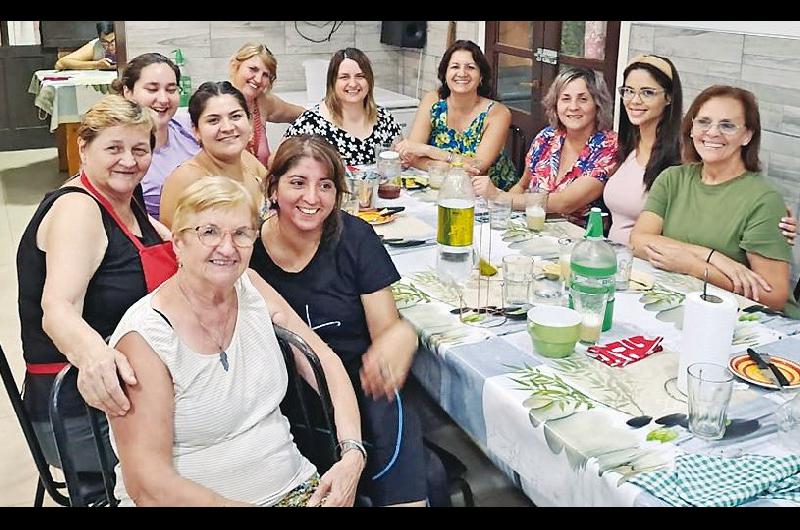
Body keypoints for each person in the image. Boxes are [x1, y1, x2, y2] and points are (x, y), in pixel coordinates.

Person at [107, 176, 364, 506]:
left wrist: (352, 453)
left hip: (293, 488)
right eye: (209, 232)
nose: (227, 248)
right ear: (178, 243)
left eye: (241, 233)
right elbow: (148, 485)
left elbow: (325, 361)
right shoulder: (147, 336)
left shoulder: (250, 286)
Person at [250, 135, 427, 507]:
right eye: (298, 183)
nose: (312, 197)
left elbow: (386, 331)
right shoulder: (248, 253)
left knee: (391, 405)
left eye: (325, 186)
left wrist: (400, 336)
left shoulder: (354, 237)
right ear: (273, 188)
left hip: (359, 382)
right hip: (287, 395)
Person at [16, 95, 177, 473]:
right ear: (83, 148)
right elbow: (57, 309)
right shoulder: (79, 210)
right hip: (80, 412)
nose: (129, 161)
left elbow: (173, 248)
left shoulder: (125, 197)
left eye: (140, 150)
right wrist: (94, 356)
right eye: (114, 148)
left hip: (134, 391)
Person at [630, 85, 799, 316]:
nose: (712, 132)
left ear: (747, 135)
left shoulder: (764, 200)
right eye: (703, 122)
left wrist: (696, 267)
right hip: (680, 303)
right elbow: (639, 240)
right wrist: (712, 256)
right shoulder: (672, 179)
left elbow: (773, 295)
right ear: (691, 128)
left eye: (727, 125)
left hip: (751, 321)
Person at [607, 55, 797, 247]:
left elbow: (723, 194)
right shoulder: (626, 144)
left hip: (655, 259)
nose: (635, 100)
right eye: (628, 91)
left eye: (647, 92)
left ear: (669, 97)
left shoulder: (688, 152)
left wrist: (770, 219)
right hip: (613, 255)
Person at [471, 66, 618, 227]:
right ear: (555, 104)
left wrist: (499, 197)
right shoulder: (547, 137)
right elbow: (522, 185)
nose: (573, 106)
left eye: (583, 99)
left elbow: (565, 203)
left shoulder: (608, 146)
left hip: (579, 237)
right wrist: (500, 215)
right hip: (532, 229)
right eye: (565, 99)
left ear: (598, 104)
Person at [396, 40, 517, 189]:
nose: (462, 73)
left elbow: (477, 168)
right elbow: (412, 156)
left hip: (491, 194)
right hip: (444, 186)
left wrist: (428, 151)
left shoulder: (498, 113)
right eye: (455, 67)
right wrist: (452, 166)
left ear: (481, 76)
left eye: (470, 67)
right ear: (445, 74)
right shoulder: (432, 101)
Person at [160, 81, 266, 229]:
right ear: (196, 131)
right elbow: (171, 239)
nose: (227, 127)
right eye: (213, 120)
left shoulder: (248, 160)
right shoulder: (185, 179)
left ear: (249, 123)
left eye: (235, 116)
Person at [115, 53, 201, 219]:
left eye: (171, 90)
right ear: (128, 92)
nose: (163, 99)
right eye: (152, 89)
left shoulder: (189, 125)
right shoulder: (115, 149)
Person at [283, 47, 403, 165]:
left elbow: (402, 162)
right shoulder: (310, 123)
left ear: (369, 81)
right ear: (332, 82)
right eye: (344, 77)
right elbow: (278, 163)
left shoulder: (385, 119)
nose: (353, 84)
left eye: (360, 76)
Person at [229, 43, 305, 168]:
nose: (258, 79)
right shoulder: (218, 103)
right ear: (235, 66)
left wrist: (287, 147)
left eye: (266, 75)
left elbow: (305, 115)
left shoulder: (262, 102)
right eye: (253, 69)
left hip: (263, 179)